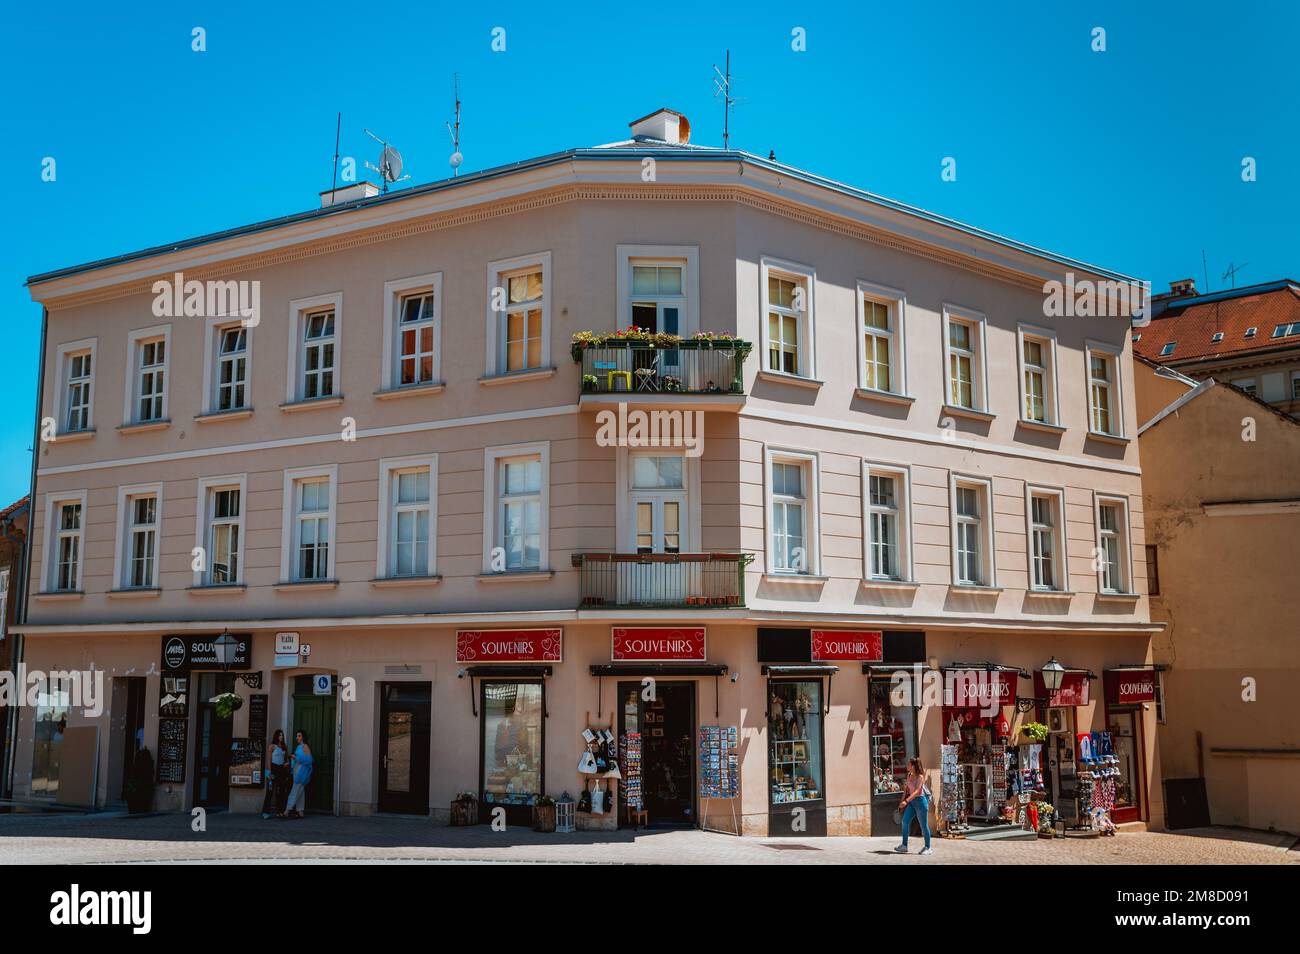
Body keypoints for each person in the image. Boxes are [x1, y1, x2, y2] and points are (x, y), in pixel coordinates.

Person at [894, 757, 933, 855]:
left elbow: (917, 791)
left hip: (920, 803)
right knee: (905, 821)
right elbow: (907, 790)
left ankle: (928, 847)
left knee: (923, 826)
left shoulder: (920, 777)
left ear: (913, 766)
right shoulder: (909, 775)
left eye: (909, 764)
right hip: (911, 803)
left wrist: (906, 801)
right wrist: (902, 801)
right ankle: (904, 846)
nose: (907, 766)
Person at [285, 730, 313, 819]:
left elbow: (309, 761)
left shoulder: (305, 747)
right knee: (300, 792)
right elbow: (296, 760)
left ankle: (287, 810)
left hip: (302, 772)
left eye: (299, 736)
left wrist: (296, 757)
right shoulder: (298, 747)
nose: (297, 737)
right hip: (296, 770)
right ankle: (300, 811)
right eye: (297, 736)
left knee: (295, 790)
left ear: (303, 737)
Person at [262, 729, 290, 819]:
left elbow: (286, 759)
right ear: (276, 736)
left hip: (281, 769)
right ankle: (266, 812)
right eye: (279, 735)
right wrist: (269, 772)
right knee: (270, 791)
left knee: (280, 791)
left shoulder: (284, 746)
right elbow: (268, 760)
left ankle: (280, 811)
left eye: (282, 735)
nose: (281, 737)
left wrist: (287, 763)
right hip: (273, 769)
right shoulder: (272, 746)